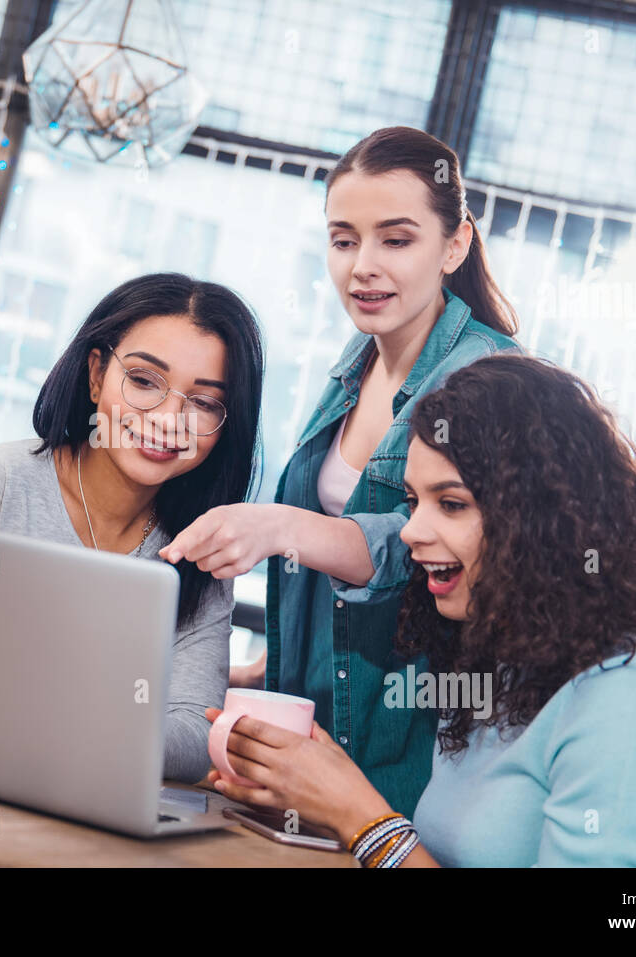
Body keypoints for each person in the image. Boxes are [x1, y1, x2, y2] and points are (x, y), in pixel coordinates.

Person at [204, 354, 636, 867]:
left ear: (545, 521)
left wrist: (360, 818)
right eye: (413, 501)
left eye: (451, 504)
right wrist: (310, 797)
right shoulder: (503, 669)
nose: (410, 531)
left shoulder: (627, 702)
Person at [160, 126, 520, 815]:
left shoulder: (490, 378)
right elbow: (328, 588)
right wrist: (267, 675)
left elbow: (444, 550)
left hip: (413, 752)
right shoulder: (352, 369)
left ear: (455, 244)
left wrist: (279, 525)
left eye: (396, 239)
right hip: (321, 740)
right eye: (344, 239)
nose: (362, 266)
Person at [0, 272, 265, 783]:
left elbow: (195, 736)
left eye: (204, 402)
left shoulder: (198, 550)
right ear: (96, 373)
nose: (169, 418)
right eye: (144, 381)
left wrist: (41, 721)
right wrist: (101, 726)